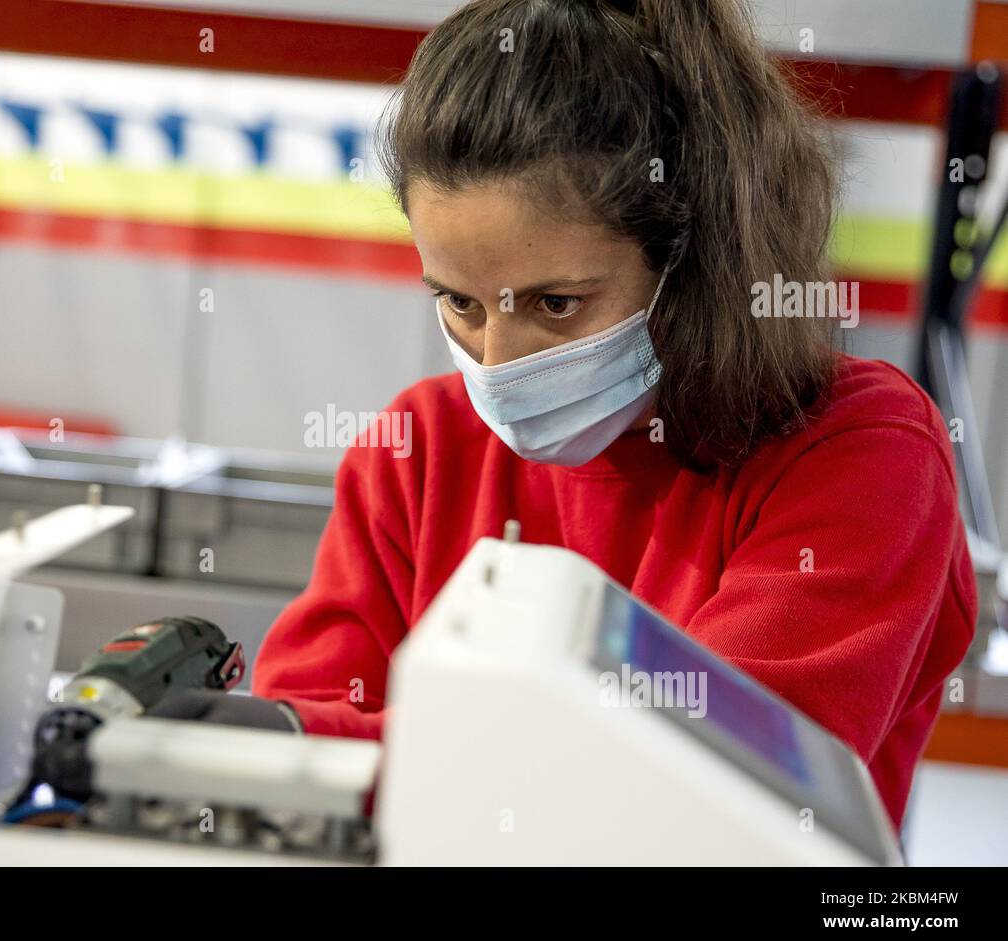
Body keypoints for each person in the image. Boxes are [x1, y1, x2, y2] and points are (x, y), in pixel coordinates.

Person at [153, 0, 977, 832]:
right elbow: (309, 758)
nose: (499, 364)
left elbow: (695, 788)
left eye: (555, 304)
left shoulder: (858, 452)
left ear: (695, 267)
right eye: (461, 304)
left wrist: (307, 744)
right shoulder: (421, 449)